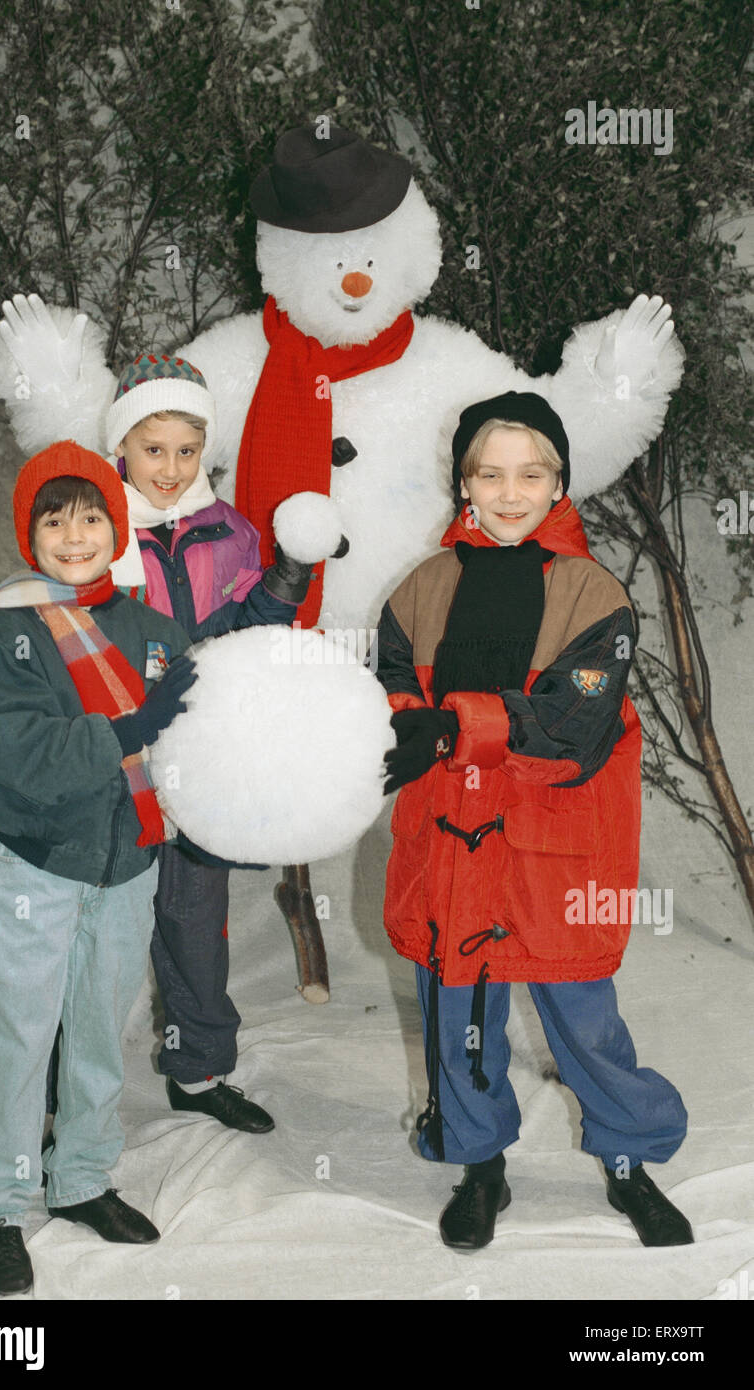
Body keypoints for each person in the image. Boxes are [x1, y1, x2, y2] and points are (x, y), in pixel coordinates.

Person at [375, 391, 692, 1250]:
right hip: (448, 846)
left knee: (583, 1022)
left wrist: (452, 725)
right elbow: (392, 684)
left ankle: (628, 1158)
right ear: (463, 483)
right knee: (459, 1019)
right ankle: (480, 1164)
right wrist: (403, 717)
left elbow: (570, 725)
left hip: (555, 849)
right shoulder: (420, 587)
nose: (510, 491)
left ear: (559, 484)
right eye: (489, 472)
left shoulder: (596, 596)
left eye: (532, 472)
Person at [0, 441, 197, 1295]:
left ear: (116, 524)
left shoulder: (152, 629)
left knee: (100, 1029)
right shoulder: (2, 632)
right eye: (53, 520)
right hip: (34, 865)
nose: (74, 534)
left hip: (127, 863)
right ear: (29, 533)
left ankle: (82, 1178)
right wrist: (127, 731)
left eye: (91, 515)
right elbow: (13, 747)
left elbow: (200, 732)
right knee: (20, 1035)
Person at [105, 352, 325, 1134]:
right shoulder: (93, 526)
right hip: (116, 765)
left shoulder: (229, 530)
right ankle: (61, 1089)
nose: (169, 468)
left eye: (186, 450)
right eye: (152, 448)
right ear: (121, 444)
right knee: (92, 926)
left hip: (198, 767)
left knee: (194, 922)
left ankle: (196, 1070)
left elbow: (243, 639)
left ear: (206, 451)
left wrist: (283, 585)